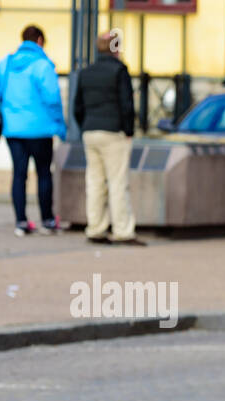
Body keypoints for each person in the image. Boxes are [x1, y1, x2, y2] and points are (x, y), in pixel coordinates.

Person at [0, 25, 67, 237]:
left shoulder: (6, 63)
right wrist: (60, 126)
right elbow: (52, 99)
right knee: (43, 174)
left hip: (13, 130)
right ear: (40, 40)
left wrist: (3, 108)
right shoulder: (42, 66)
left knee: (19, 175)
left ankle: (21, 222)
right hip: (40, 131)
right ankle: (47, 221)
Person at [73, 31, 142, 246]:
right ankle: (123, 231)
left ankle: (95, 228)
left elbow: (77, 106)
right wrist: (128, 130)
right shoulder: (119, 71)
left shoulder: (86, 72)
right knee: (118, 183)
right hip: (113, 132)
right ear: (115, 49)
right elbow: (126, 104)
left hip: (90, 131)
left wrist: (85, 125)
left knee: (94, 182)